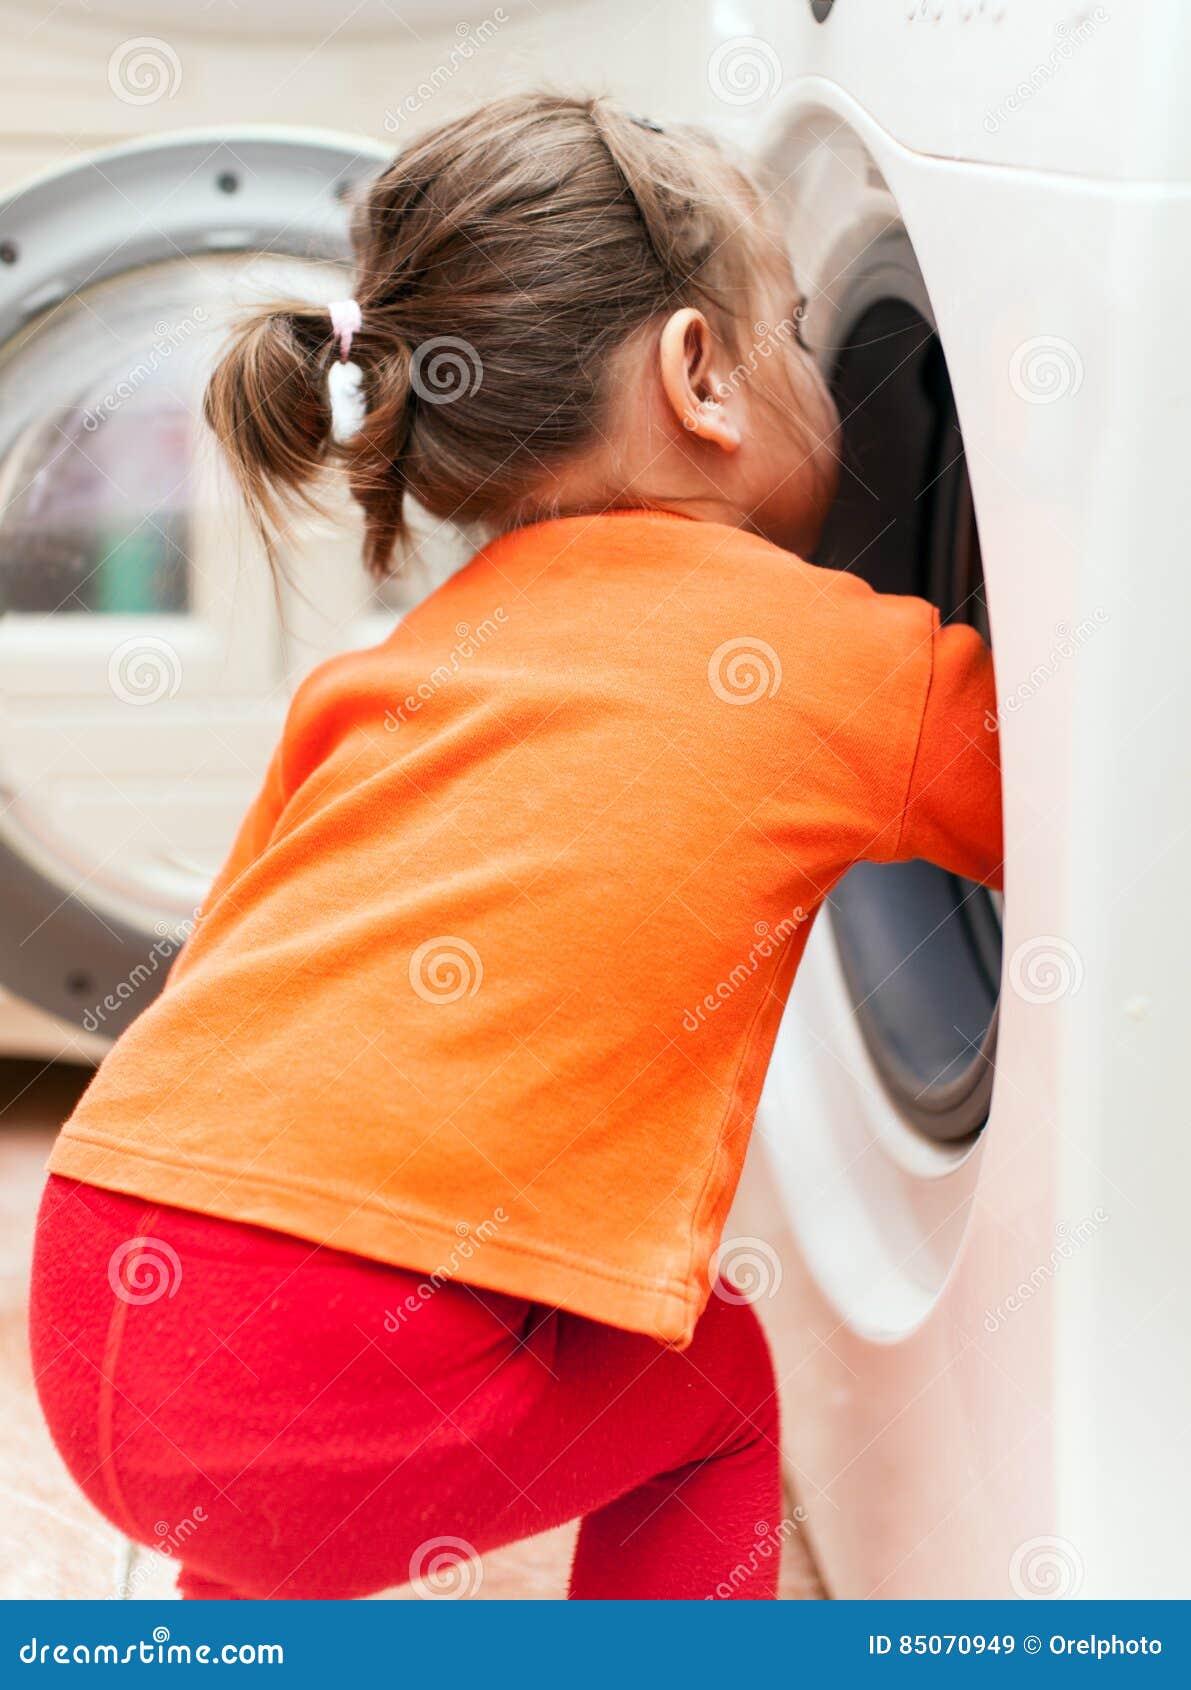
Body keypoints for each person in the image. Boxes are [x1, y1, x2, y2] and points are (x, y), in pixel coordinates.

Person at [29, 94, 1001, 1601]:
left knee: (302, 1471)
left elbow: (239, 986)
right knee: (713, 1394)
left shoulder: (396, 667)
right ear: (701, 376)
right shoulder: (826, 652)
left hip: (98, 1278)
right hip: (317, 1357)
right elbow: (1061, 813)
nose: (817, 367)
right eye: (796, 332)